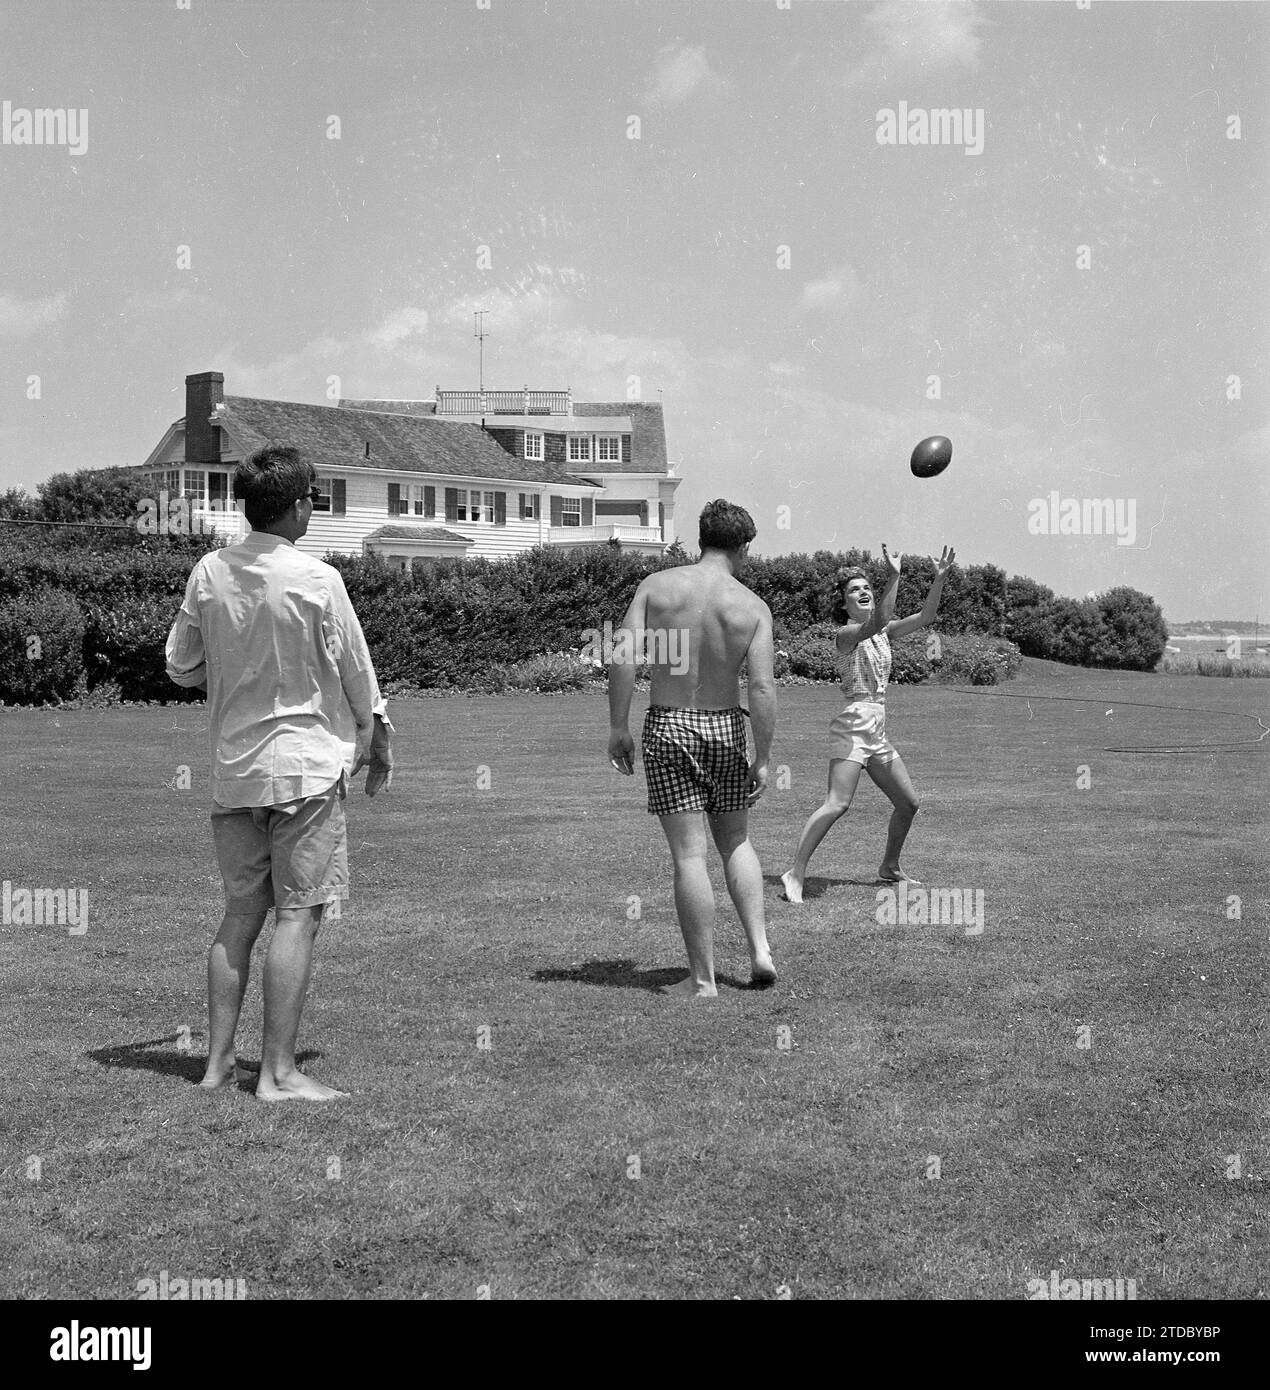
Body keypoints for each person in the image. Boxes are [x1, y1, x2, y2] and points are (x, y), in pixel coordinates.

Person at [165, 444, 395, 1101]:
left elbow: (181, 665)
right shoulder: (320, 579)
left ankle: (215, 1068)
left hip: (234, 772)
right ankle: (279, 1074)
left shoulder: (207, 573)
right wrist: (377, 738)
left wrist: (233, 664)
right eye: (312, 499)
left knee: (240, 913)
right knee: (299, 915)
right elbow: (358, 675)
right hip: (304, 771)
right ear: (297, 506)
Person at [608, 499, 777, 998]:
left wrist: (619, 727)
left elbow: (623, 658)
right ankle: (760, 950)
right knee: (737, 842)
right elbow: (763, 688)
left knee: (689, 856)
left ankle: (703, 980)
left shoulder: (656, 587)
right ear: (744, 547)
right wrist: (762, 756)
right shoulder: (752, 606)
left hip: (671, 726)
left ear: (700, 537)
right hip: (726, 727)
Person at [781, 545, 955, 904]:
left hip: (876, 728)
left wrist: (938, 579)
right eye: (853, 591)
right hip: (854, 723)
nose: (862, 592)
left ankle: (890, 868)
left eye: (866, 588)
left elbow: (925, 617)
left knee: (908, 804)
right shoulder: (847, 634)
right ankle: (795, 872)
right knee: (837, 803)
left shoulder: (884, 632)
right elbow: (876, 620)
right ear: (843, 604)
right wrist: (894, 576)